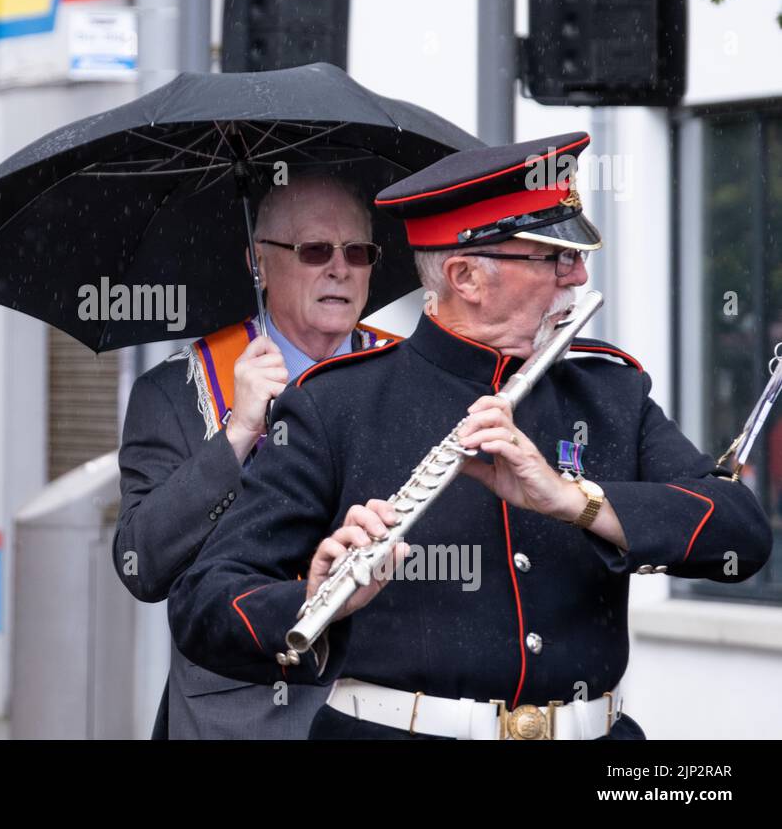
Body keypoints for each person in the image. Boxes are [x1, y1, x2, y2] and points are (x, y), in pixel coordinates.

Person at [169, 133, 772, 740]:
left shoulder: (609, 393)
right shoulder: (338, 405)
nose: (579, 274)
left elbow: (740, 535)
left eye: (577, 254)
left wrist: (577, 502)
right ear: (466, 276)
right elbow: (203, 604)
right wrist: (316, 601)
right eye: (553, 257)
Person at [115, 167, 398, 739]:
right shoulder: (176, 389)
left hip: (383, 701)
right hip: (239, 711)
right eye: (315, 249)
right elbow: (141, 564)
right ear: (258, 262)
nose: (340, 268)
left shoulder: (405, 374)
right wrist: (238, 433)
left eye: (358, 250)